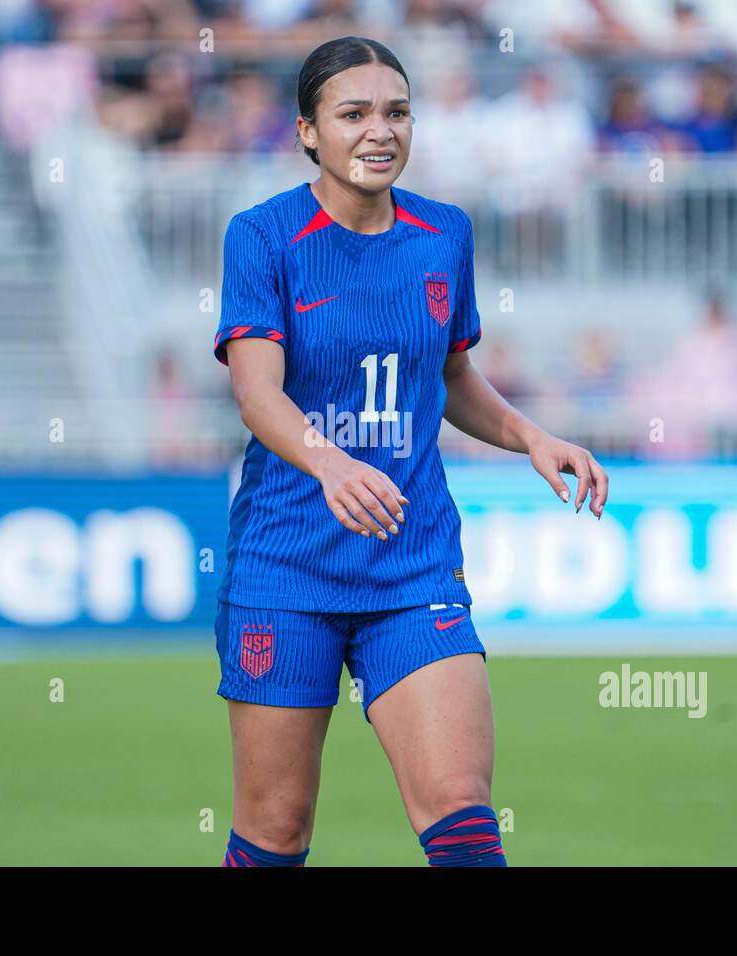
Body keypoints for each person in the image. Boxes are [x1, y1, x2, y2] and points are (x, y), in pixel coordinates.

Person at [211, 36, 608, 868]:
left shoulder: (443, 234)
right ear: (307, 133)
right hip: (287, 568)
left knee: (463, 816)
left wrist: (531, 435)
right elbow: (257, 392)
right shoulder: (263, 236)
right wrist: (329, 461)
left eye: (396, 112)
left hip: (413, 565)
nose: (379, 131)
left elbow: (453, 372)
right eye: (352, 114)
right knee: (275, 833)